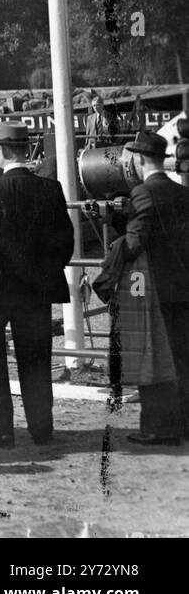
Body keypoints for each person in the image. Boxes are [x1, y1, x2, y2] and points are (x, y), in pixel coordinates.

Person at [0, 122, 74, 446]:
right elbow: (65, 242)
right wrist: (42, 269)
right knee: (37, 361)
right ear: (26, 150)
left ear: (0, 151)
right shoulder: (50, 189)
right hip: (35, 290)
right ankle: (42, 428)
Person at [110, 132, 189, 445]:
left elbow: (136, 240)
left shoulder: (143, 192)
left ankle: (158, 427)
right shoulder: (182, 194)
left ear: (139, 160)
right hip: (182, 286)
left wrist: (116, 244)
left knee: (154, 360)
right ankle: (182, 424)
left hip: (154, 291)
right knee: (182, 359)